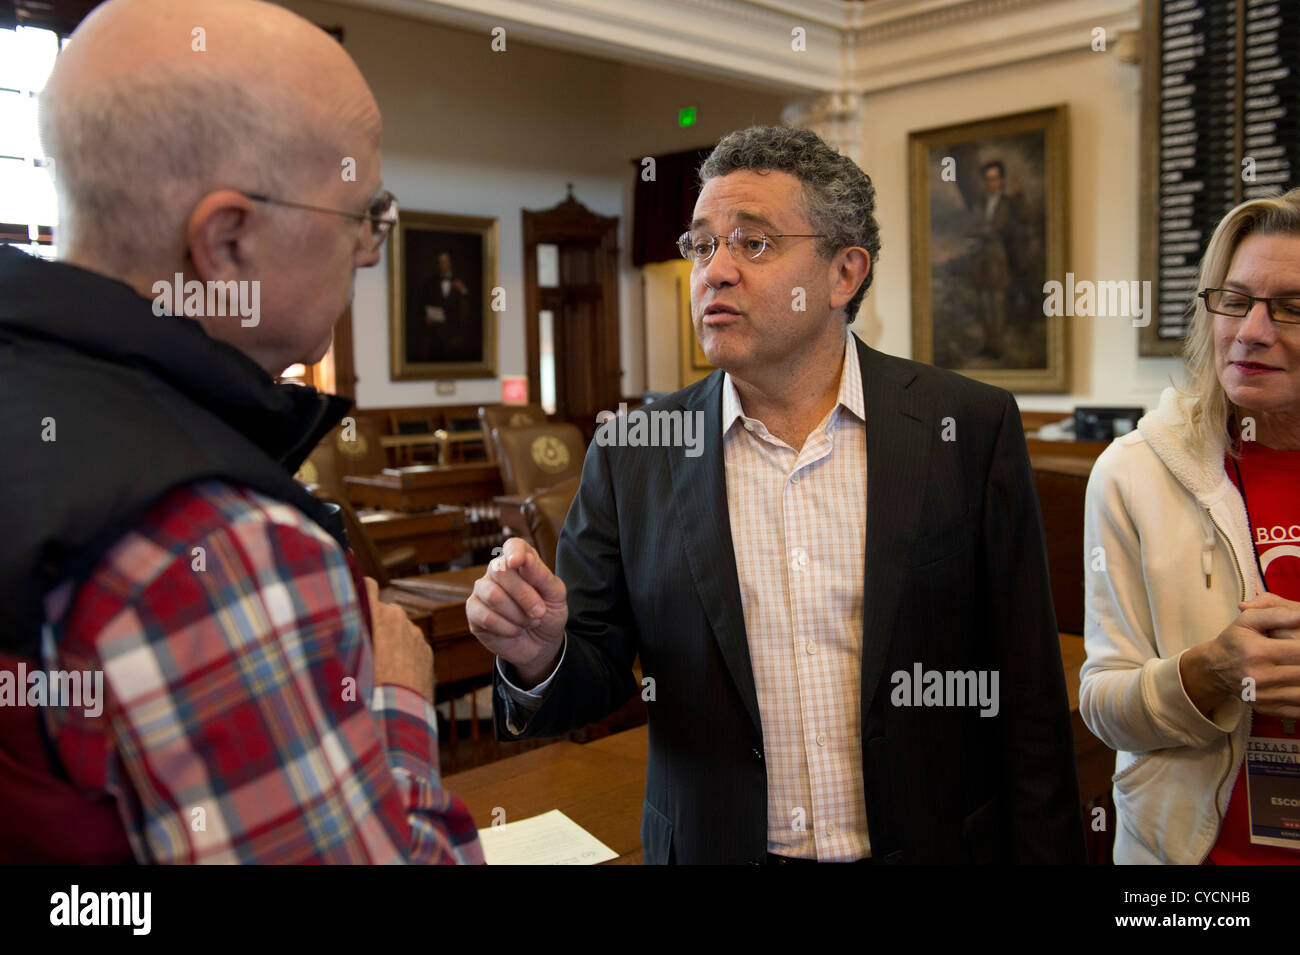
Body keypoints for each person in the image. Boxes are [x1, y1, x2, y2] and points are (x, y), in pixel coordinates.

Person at [468, 125, 1084, 864]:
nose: (714, 271)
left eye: (752, 243)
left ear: (842, 274)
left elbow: (1028, 698)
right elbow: (593, 674)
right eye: (701, 245)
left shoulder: (967, 428)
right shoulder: (633, 451)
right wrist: (539, 656)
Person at [0, 0, 481, 864]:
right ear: (227, 243)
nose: (373, 251)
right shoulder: (217, 546)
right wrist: (398, 704)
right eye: (363, 214)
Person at [1081, 187, 1300, 865]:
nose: (1252, 331)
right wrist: (1209, 670)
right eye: (1234, 300)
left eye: (1291, 307)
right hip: (1193, 865)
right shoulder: (1135, 472)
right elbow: (1102, 702)